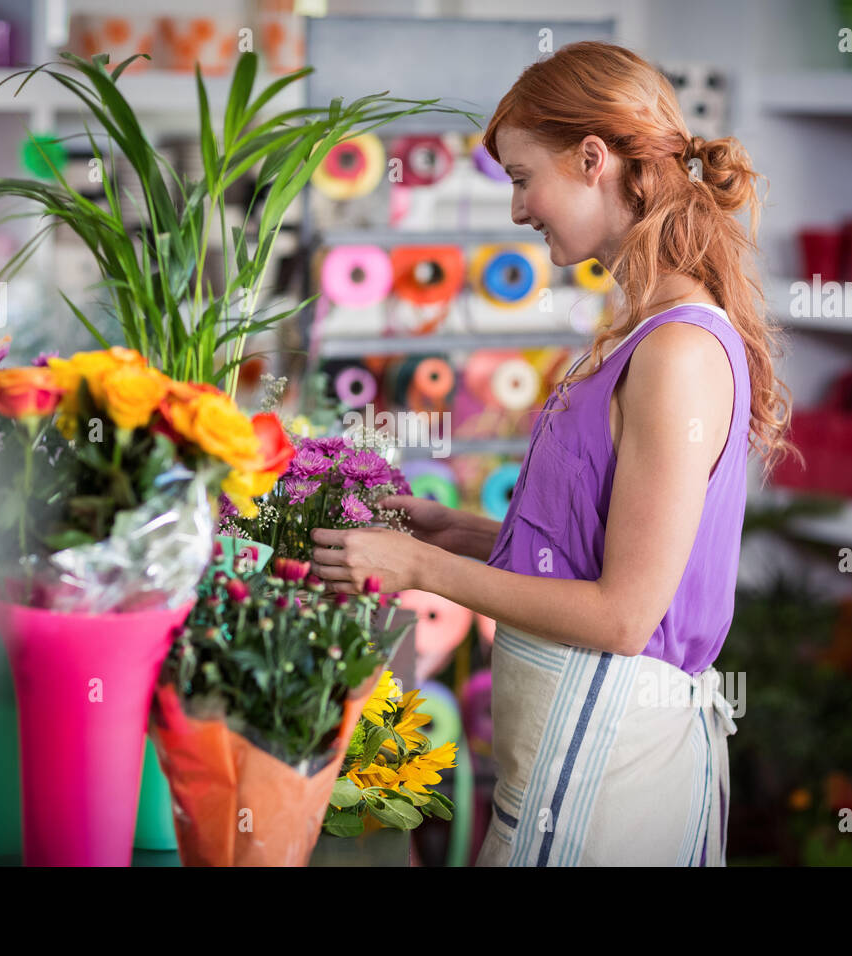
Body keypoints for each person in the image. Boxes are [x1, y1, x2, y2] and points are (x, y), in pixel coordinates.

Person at [309, 41, 797, 866]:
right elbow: (581, 553)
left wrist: (419, 570)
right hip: (574, 761)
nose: (517, 210)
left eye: (521, 178)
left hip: (612, 770)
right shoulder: (640, 334)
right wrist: (448, 529)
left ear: (593, 159)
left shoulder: (676, 353)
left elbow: (623, 614)